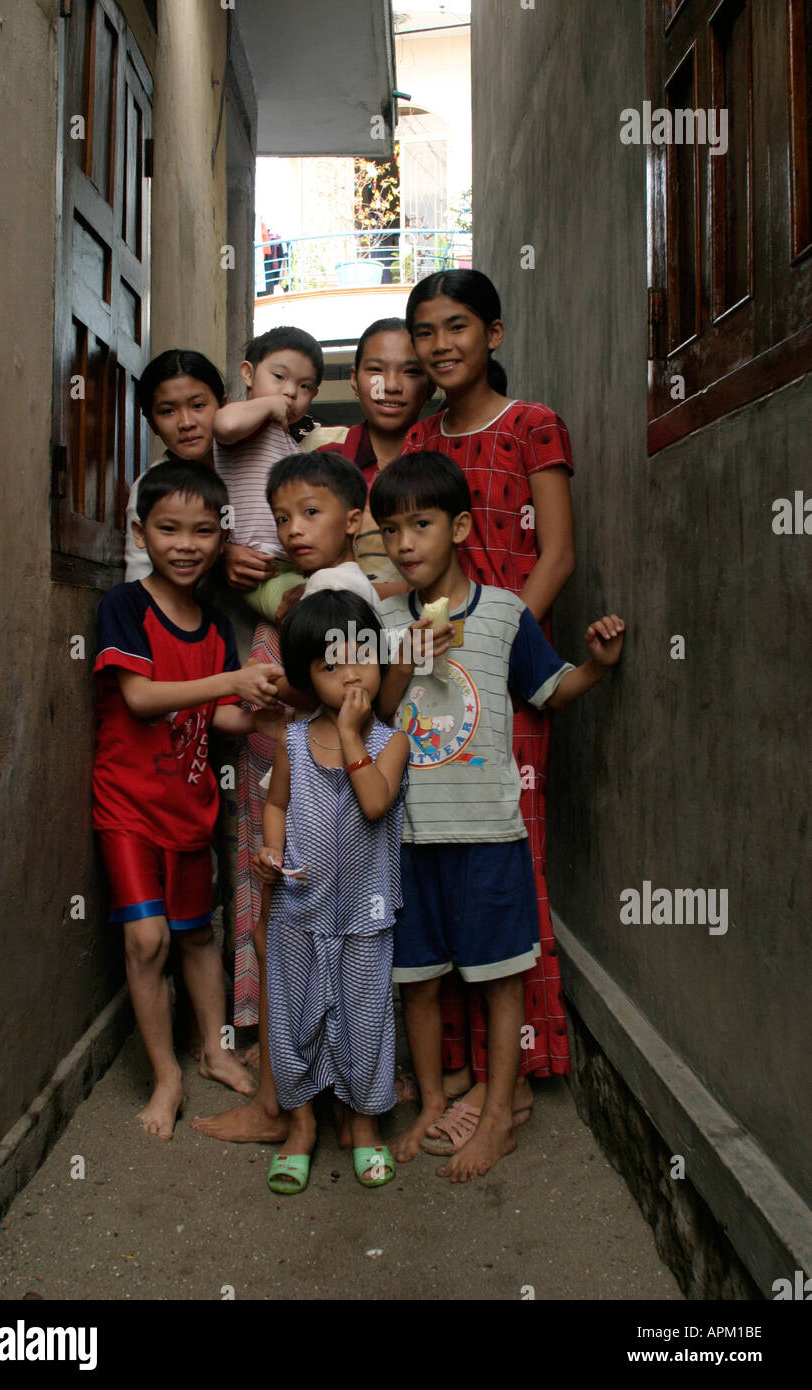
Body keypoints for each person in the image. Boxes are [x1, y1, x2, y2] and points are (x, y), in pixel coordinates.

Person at [372, 453, 625, 1180]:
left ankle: (496, 1120)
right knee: (418, 980)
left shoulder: (506, 613)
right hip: (408, 835)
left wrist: (597, 666)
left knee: (499, 979)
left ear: (458, 528)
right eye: (391, 530)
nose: (405, 544)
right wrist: (404, 661)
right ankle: (430, 1103)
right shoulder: (382, 619)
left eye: (421, 525)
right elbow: (377, 715)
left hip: (487, 832)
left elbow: (551, 691)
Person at [401, 268, 577, 1145]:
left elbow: (557, 557)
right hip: (429, 691)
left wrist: (499, 652)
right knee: (439, 868)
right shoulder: (417, 440)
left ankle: (518, 1080)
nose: (441, 345)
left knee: (509, 870)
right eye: (425, 330)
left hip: (506, 676)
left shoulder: (532, 425)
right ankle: (465, 1072)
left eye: (458, 326)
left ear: (494, 333)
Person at [93, 459, 285, 1141]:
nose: (184, 544)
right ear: (140, 533)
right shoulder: (125, 607)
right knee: (148, 940)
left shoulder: (210, 625)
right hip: (128, 807)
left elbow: (220, 716)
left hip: (193, 807)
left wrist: (275, 713)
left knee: (199, 934)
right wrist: (232, 680)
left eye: (203, 531)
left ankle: (213, 1049)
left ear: (220, 538)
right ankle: (165, 1076)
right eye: (168, 529)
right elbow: (141, 698)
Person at [191, 451, 376, 1146]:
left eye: (310, 513)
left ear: (353, 520)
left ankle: (280, 1107)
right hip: (325, 791)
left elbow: (334, 684)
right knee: (328, 949)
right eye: (281, 518)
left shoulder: (333, 592)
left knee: (284, 944)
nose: (292, 529)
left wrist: (267, 686)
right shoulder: (328, 586)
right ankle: (334, 1105)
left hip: (317, 792)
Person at [256, 591, 411, 1193]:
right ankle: (301, 1129)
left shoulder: (391, 742)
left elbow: (374, 803)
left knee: (365, 1024)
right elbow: (276, 805)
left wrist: (350, 735)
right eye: (330, 665)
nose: (351, 674)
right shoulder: (293, 741)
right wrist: (272, 853)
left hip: (364, 918)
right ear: (305, 678)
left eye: (361, 657)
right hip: (300, 912)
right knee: (293, 1023)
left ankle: (364, 1128)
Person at [213, 326, 324, 624]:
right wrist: (267, 404)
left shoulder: (292, 446)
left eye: (304, 386)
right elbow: (224, 425)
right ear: (248, 374)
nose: (290, 392)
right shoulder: (245, 422)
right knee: (310, 615)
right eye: (279, 377)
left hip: (290, 563)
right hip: (259, 567)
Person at [317, 317, 433, 594]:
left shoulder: (448, 462)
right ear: (354, 379)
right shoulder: (322, 459)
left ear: (431, 386)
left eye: (411, 372)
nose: (391, 385)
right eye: (376, 370)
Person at [124, 350, 227, 583]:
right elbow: (140, 580)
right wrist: (222, 558)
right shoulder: (149, 488)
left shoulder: (254, 466)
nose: (186, 423)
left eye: (198, 405)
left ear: (223, 406)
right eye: (168, 411)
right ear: (152, 423)